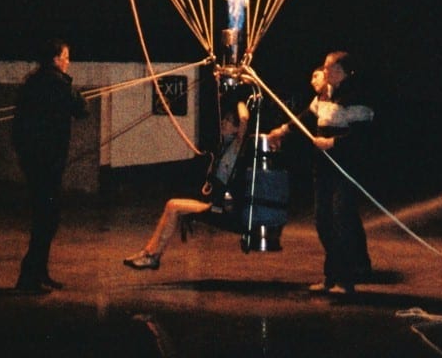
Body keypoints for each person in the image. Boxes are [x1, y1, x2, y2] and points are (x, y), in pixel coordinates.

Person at [268, 51, 376, 295]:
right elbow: (306, 118)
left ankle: (345, 281)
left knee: (341, 221)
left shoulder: (355, 98)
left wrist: (333, 143)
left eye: (329, 68)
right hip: (324, 167)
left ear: (342, 72)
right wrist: (282, 131)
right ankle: (331, 277)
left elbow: (362, 137)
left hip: (344, 169)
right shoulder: (324, 96)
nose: (324, 72)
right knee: (323, 221)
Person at [123, 96, 251, 269]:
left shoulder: (236, 146)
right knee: (172, 205)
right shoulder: (224, 147)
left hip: (221, 210)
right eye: (224, 119)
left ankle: (152, 255)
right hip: (212, 204)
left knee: (173, 206)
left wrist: (241, 99)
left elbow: (244, 119)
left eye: (227, 121)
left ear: (236, 129)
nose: (223, 122)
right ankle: (150, 253)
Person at [11, 38, 88, 294]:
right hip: (48, 162)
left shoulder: (32, 82)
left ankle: (39, 273)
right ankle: (29, 278)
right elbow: (81, 109)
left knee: (45, 217)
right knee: (47, 219)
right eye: (66, 56)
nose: (68, 61)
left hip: (34, 160)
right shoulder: (58, 83)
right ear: (56, 59)